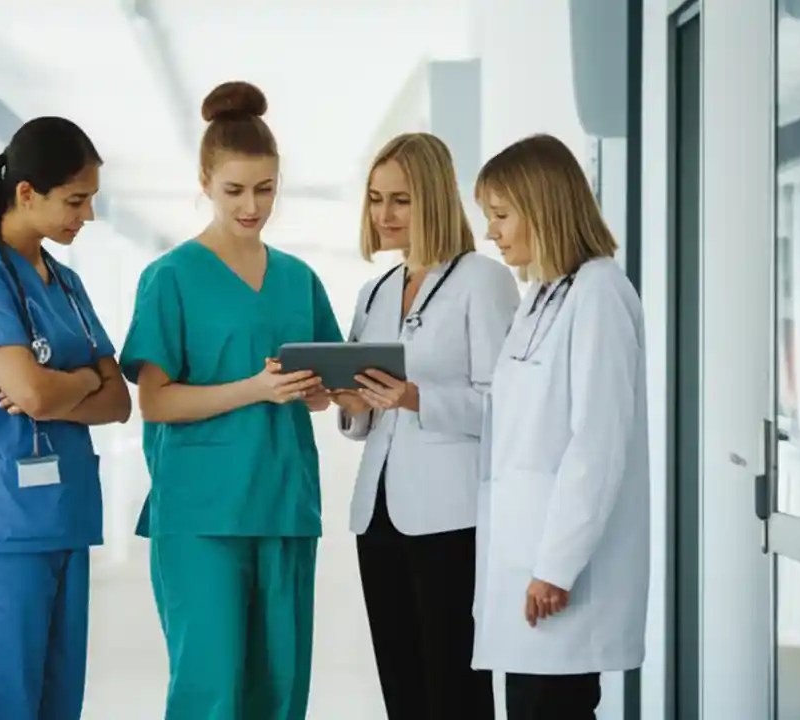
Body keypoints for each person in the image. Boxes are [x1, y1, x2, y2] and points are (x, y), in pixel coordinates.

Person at [119, 81, 343, 720]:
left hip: (284, 503)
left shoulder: (300, 279)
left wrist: (329, 387)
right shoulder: (170, 278)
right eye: (235, 190)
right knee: (211, 689)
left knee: (280, 690)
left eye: (265, 189)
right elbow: (156, 403)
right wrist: (256, 388)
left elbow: (322, 396)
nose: (252, 206)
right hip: (201, 514)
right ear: (205, 180)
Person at [0, 116, 132, 720]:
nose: (86, 216)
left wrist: (66, 385)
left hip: (63, 521)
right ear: (25, 193)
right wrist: (84, 380)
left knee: (57, 706)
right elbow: (34, 397)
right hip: (0, 529)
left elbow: (118, 403)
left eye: (89, 200)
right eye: (75, 200)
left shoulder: (64, 282)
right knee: (5, 706)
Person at [330, 132, 518, 720]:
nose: (382, 214)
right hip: (378, 513)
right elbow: (365, 412)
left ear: (433, 199)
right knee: (402, 687)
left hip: (448, 517)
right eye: (375, 198)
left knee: (453, 689)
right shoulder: (375, 291)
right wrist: (350, 402)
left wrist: (418, 397)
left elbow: (505, 408)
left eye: (400, 200)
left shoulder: (482, 281)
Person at [470, 133, 650, 719]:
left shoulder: (600, 293)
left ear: (543, 207)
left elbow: (597, 444)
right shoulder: (542, 294)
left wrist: (555, 566)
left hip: (559, 572)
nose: (492, 232)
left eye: (501, 215)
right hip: (524, 560)